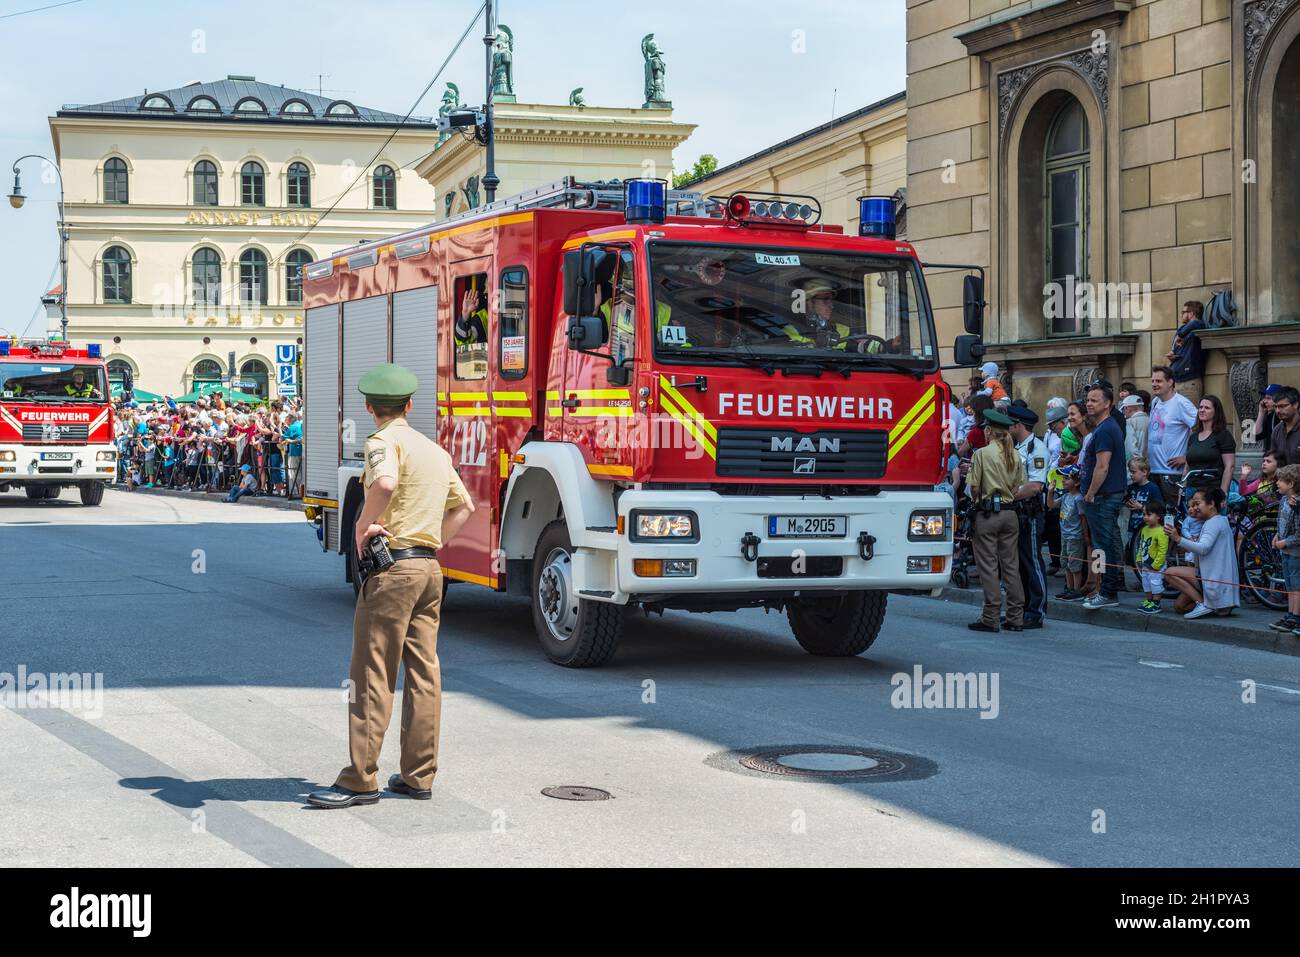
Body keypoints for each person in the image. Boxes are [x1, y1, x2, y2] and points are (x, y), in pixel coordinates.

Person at [308, 364, 475, 810]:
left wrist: (362, 528)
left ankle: (360, 779)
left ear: (368, 407)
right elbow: (465, 506)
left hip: (393, 572)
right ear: (409, 405)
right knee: (424, 673)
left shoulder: (382, 442)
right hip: (427, 570)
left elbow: (383, 483)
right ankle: (419, 775)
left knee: (371, 673)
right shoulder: (433, 451)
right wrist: (431, 539)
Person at [965, 409, 1026, 632]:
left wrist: (979, 498)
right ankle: (1015, 617)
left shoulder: (982, 454)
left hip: (988, 514)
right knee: (1011, 566)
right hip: (1010, 514)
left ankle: (990, 617)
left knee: (988, 567)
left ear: (989, 431)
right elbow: (1017, 487)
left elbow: (973, 487)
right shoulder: (1015, 454)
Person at [1079, 383, 1127, 609]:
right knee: (1106, 542)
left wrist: (1090, 493)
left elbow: (1102, 466)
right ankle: (1109, 586)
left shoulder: (1106, 429)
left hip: (1103, 496)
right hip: (1104, 495)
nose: (1089, 403)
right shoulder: (1105, 427)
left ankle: (1106, 592)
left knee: (1102, 544)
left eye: (1094, 400)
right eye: (1088, 400)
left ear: (1107, 404)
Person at [1165, 486, 1239, 619]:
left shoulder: (1214, 522)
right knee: (1180, 606)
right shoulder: (1219, 521)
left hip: (1214, 580)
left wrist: (1178, 539)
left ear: (1211, 504)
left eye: (1198, 503)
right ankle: (1214, 606)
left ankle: (1205, 604)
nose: (1195, 507)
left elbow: (1203, 548)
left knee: (1169, 573)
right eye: (1193, 504)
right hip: (1216, 582)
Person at [1006, 404, 1049, 628]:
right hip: (1016, 512)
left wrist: (1009, 496)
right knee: (1019, 563)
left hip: (1029, 511)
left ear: (1018, 425)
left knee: (1032, 560)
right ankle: (1020, 609)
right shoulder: (1016, 447)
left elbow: (1035, 486)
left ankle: (1036, 611)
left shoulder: (1037, 449)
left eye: (1009, 424)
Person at [1148, 365, 1198, 507]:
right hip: (1153, 470)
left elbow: (1202, 429)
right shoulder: (1155, 402)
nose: (1154, 385)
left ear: (1170, 382)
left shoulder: (1182, 403)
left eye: (1159, 381)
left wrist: (1187, 457)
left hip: (1171, 473)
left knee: (1173, 514)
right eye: (1152, 381)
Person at [1268, 464, 1300, 634]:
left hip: (1295, 551)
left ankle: (1296, 617)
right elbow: (1281, 521)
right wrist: (1277, 536)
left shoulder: (1297, 504)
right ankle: (1290, 615)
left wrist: (1286, 542)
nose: (1277, 483)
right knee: (1289, 584)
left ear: (1292, 483)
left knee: (1296, 585)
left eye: (1281, 480)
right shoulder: (1283, 500)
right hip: (1285, 549)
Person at [1183, 394, 1236, 496]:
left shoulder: (1223, 435)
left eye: (1207, 408)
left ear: (1216, 412)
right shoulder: (1193, 436)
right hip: (1191, 490)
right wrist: (1183, 488)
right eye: (1201, 407)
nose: (1202, 410)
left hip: (1212, 491)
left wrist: (1223, 493)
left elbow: (1230, 467)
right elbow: (1187, 467)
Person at [1124, 457, 1164, 590]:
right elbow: (1126, 500)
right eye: (1130, 472)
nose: (1131, 475)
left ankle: (1153, 580)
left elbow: (1159, 507)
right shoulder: (1131, 488)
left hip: (1148, 529)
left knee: (1148, 555)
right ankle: (1141, 579)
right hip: (1133, 527)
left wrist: (1141, 507)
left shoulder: (1153, 488)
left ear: (1144, 472)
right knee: (1136, 556)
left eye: (1134, 472)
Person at [1052, 465, 1088, 601]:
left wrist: (1085, 536)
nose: (1063, 480)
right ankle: (1069, 587)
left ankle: (1076, 590)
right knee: (1065, 563)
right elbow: (1051, 504)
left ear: (1077, 482)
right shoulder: (1065, 496)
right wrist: (1050, 491)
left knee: (1074, 564)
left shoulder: (1079, 498)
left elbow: (1083, 518)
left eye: (1066, 478)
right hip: (1065, 535)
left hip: (1075, 536)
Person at [1135, 501, 1170, 615]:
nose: (1145, 517)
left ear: (1158, 516)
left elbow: (1162, 550)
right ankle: (1149, 600)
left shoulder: (1161, 531)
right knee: (1146, 582)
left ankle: (1156, 602)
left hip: (1156, 565)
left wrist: (1156, 565)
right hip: (1145, 563)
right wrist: (1139, 558)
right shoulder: (1145, 529)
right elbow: (1142, 544)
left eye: (1149, 514)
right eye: (1144, 514)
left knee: (1155, 583)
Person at [1166, 301, 1207, 382]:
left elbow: (1195, 322)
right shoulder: (1182, 329)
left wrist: (1180, 335)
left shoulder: (1198, 325)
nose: (1182, 315)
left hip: (1190, 378)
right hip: (1176, 378)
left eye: (1183, 312)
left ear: (1191, 314)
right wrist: (1172, 355)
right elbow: (1176, 350)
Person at [1269, 386, 1300, 467]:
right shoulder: (1276, 431)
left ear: (1296, 404)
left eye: (1283, 406)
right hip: (1282, 478)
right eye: (1276, 407)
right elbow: (1273, 461)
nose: (1278, 411)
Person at [1119, 393, 1148, 461]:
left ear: (1127, 408)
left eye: (1124, 409)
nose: (1124, 412)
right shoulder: (1151, 421)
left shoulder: (1129, 422)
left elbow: (1131, 447)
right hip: (1151, 465)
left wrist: (1139, 461)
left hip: (1137, 465)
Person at [1256, 384, 1280, 456]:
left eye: (1268, 398)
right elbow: (1255, 435)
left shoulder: (1286, 418)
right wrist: (1261, 413)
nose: (1264, 401)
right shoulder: (1271, 416)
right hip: (1271, 461)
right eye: (1264, 398)